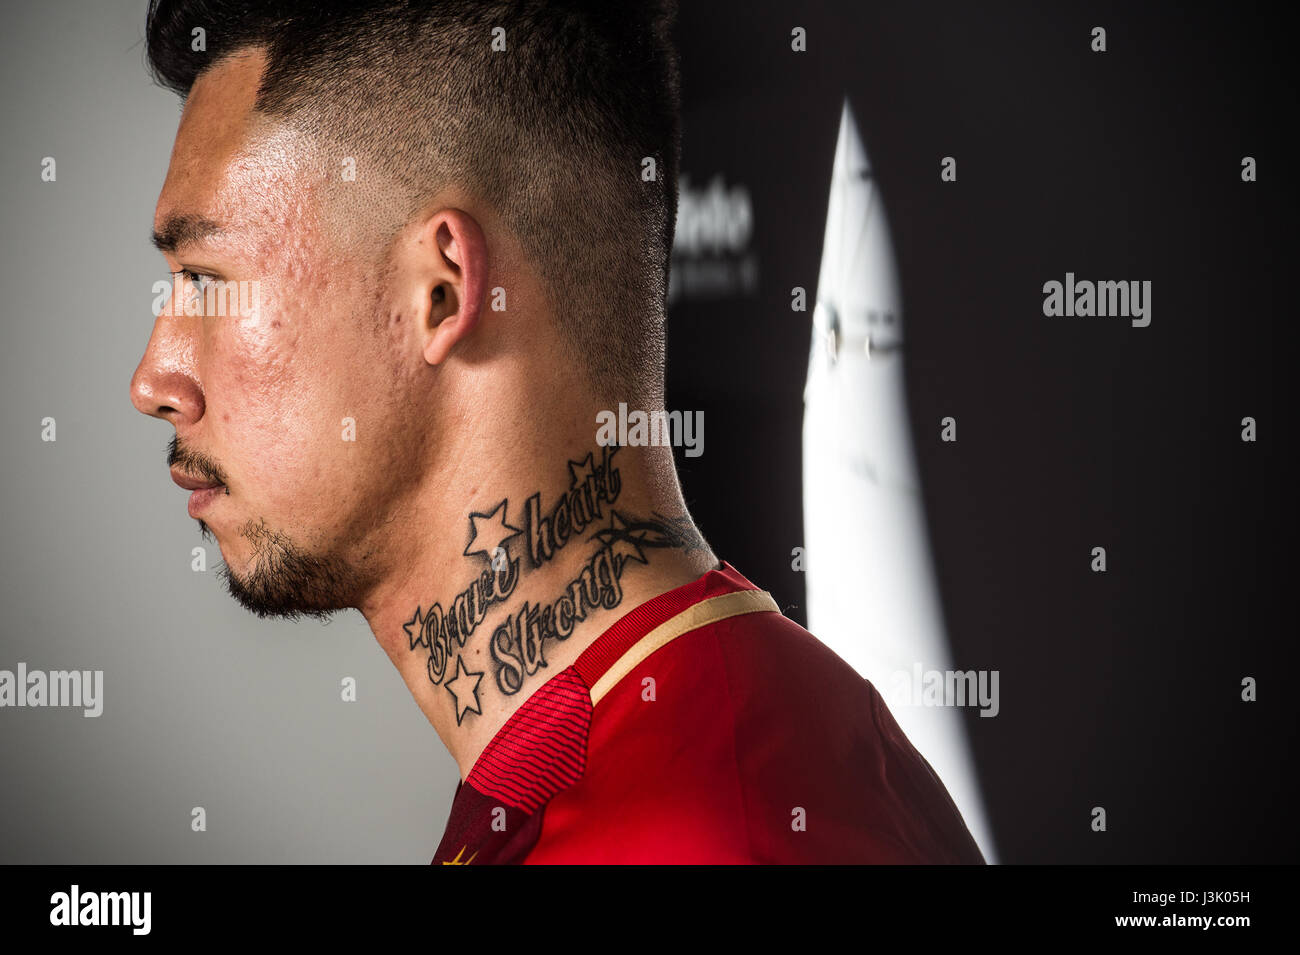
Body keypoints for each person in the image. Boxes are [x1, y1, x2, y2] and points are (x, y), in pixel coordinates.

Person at [129, 0, 985, 864]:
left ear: (440, 290)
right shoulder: (641, 760)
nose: (153, 380)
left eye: (207, 280)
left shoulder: (705, 833)